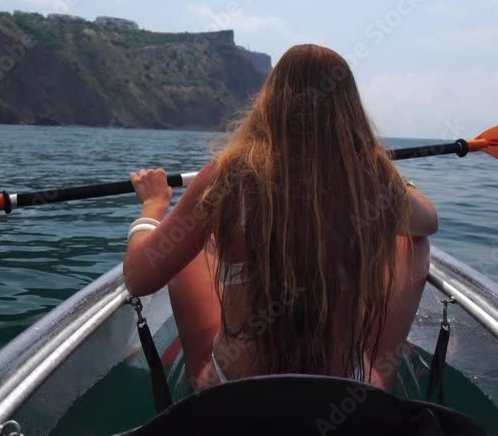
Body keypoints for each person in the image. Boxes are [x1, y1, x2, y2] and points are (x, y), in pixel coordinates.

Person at [123, 44, 437, 391]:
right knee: (411, 243)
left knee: (194, 242)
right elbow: (427, 221)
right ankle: (383, 377)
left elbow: (138, 278)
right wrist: (382, 168)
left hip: (238, 392)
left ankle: (203, 380)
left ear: (270, 101)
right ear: (350, 111)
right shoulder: (368, 180)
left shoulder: (228, 175)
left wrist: (153, 207)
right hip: (344, 392)